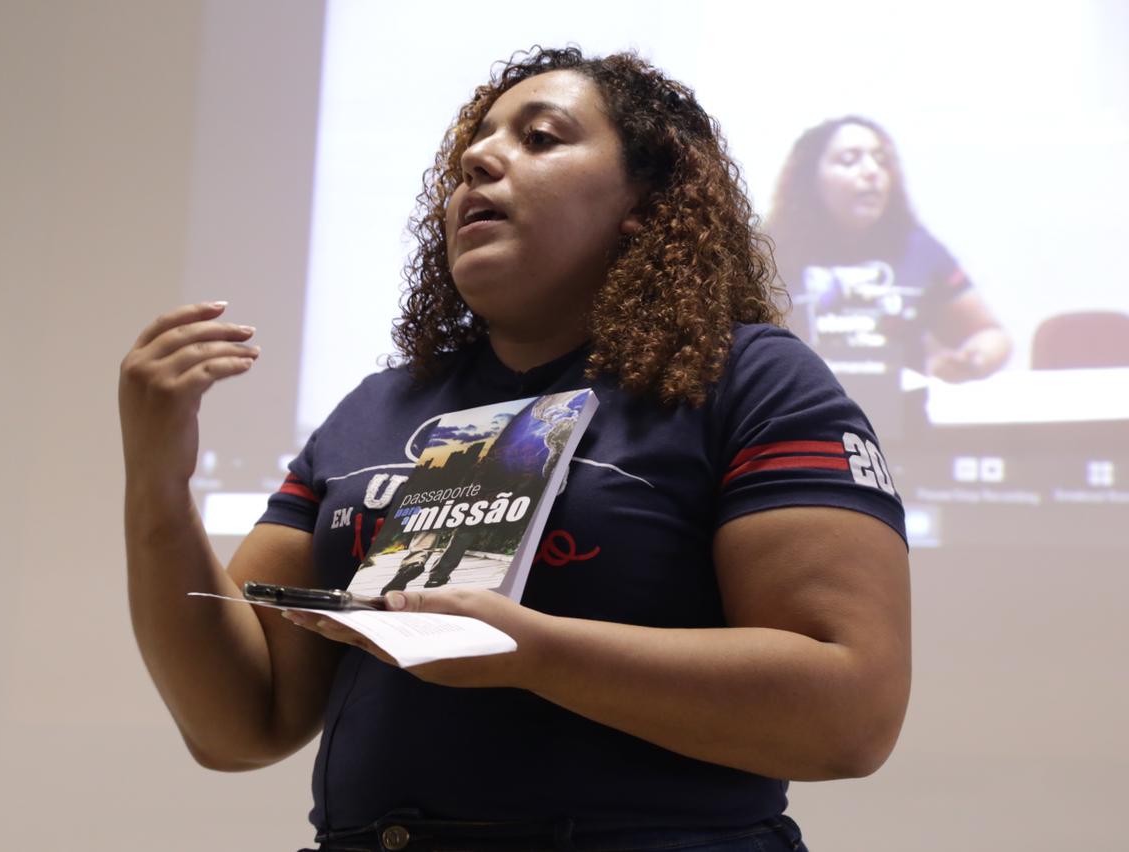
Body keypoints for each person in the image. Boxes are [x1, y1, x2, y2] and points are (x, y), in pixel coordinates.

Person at [119, 48, 911, 851]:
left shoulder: (747, 379)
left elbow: (851, 719)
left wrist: (535, 654)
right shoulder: (377, 408)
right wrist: (158, 480)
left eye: (539, 138)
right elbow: (240, 726)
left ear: (644, 202)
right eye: (474, 148)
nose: (478, 160)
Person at [765, 117, 1011, 438]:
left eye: (881, 160)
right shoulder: (769, 252)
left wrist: (972, 360)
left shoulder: (918, 249)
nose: (872, 171)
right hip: (799, 431)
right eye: (849, 160)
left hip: (902, 436)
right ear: (809, 178)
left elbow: (989, 334)